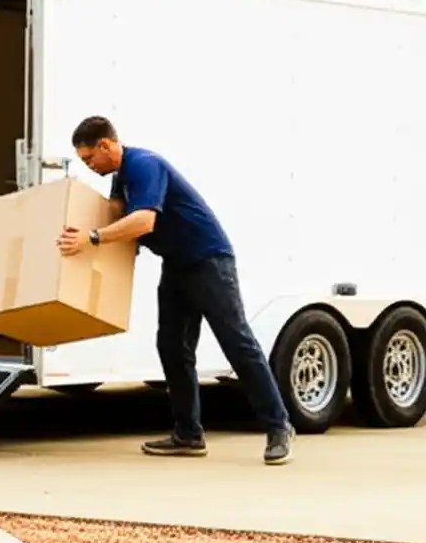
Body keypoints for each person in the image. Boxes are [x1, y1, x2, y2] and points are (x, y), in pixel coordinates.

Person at [56, 116, 294, 466]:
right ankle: (188, 434)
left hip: (208, 260)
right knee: (172, 346)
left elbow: (143, 221)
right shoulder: (122, 177)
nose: (89, 167)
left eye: (90, 159)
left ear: (106, 145)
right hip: (178, 265)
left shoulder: (143, 165)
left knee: (236, 342)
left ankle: (278, 427)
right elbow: (120, 219)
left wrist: (91, 238)